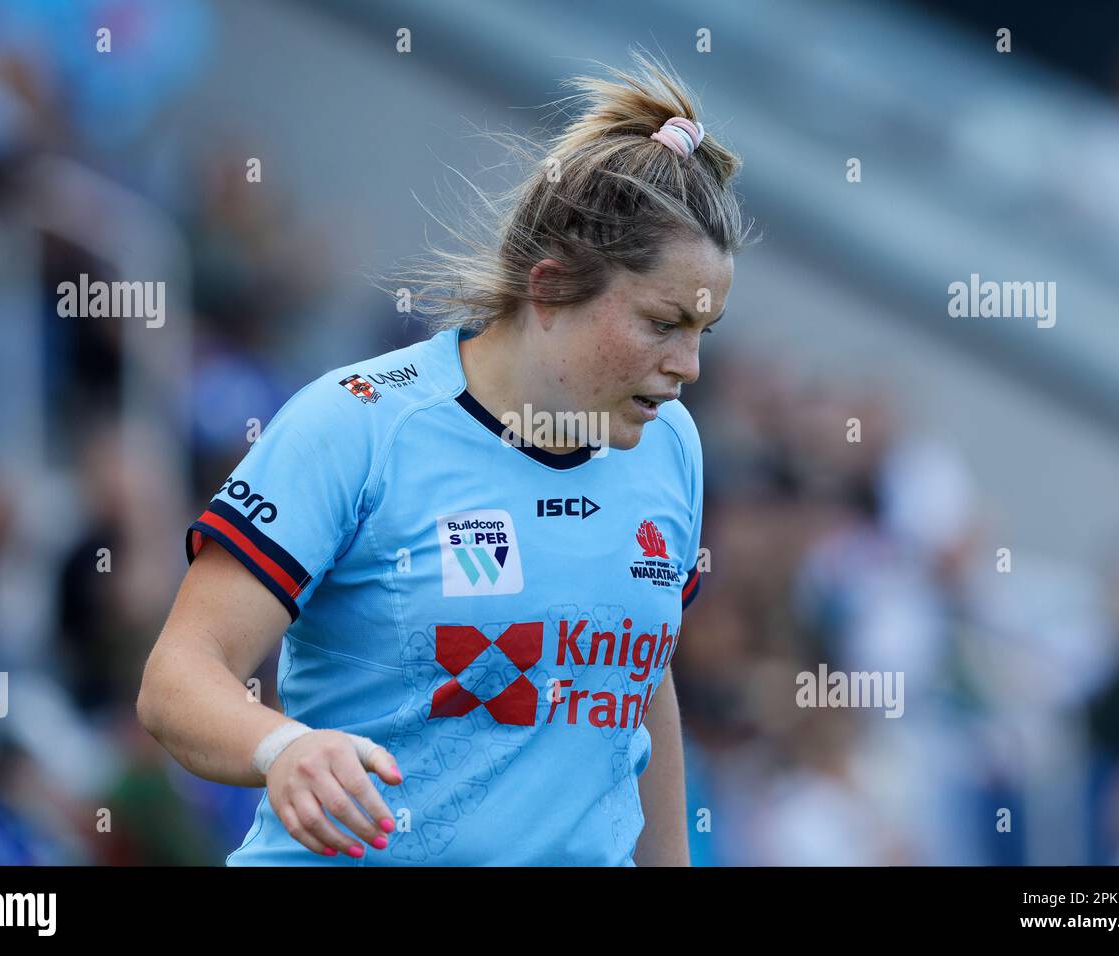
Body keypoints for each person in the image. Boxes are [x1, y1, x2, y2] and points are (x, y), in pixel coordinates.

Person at [137, 50, 751, 866]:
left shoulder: (670, 445)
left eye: (701, 334)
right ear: (551, 286)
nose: (688, 367)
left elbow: (641, 685)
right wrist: (280, 747)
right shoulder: (355, 425)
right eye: (661, 323)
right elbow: (178, 678)